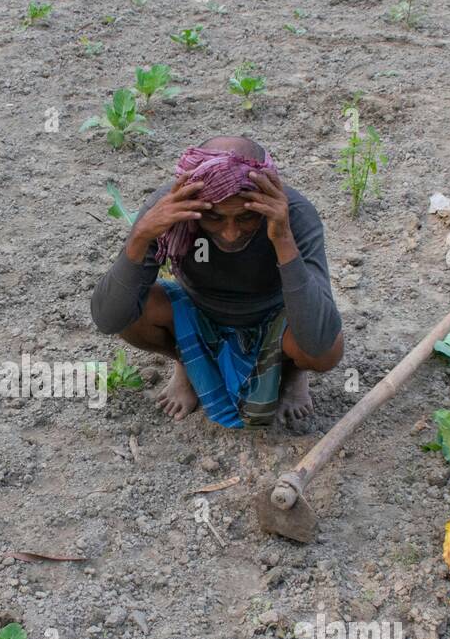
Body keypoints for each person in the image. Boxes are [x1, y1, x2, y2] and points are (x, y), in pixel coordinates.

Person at [90, 135, 343, 427]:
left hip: (275, 317)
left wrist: (283, 238)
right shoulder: (172, 210)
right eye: (214, 218)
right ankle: (185, 362)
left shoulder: (294, 215)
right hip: (200, 311)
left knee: (326, 348)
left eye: (246, 218)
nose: (230, 232)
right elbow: (108, 318)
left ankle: (293, 373)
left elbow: (321, 339)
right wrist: (141, 236)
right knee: (134, 310)